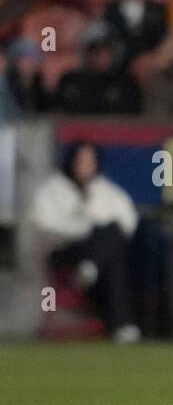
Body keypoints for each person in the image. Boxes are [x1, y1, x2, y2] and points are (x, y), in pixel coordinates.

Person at [30, 141, 140, 343]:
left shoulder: (105, 189)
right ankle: (120, 323)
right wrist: (86, 228)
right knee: (108, 247)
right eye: (81, 160)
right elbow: (44, 224)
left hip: (97, 252)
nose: (85, 165)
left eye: (89, 160)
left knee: (112, 243)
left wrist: (96, 231)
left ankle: (91, 267)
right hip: (63, 250)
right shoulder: (53, 189)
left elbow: (127, 221)